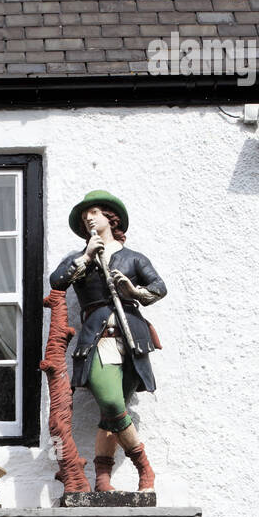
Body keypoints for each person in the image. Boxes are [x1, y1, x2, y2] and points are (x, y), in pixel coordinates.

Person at [50, 190, 165, 492]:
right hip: (97, 341)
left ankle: (103, 480)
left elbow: (159, 288)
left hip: (132, 340)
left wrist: (134, 292)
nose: (90, 216)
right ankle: (145, 468)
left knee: (110, 416)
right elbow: (58, 280)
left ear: (111, 219)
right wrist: (86, 256)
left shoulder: (133, 258)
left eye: (96, 212)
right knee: (113, 404)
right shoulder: (82, 258)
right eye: (86, 213)